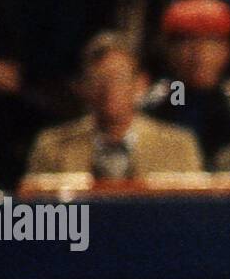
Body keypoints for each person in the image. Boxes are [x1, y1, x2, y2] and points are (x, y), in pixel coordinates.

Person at [25, 33, 203, 179]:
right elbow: (42, 215)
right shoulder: (52, 148)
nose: (109, 89)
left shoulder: (178, 147)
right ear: (82, 88)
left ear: (141, 84)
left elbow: (191, 215)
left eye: (119, 78)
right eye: (98, 79)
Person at [145, 0, 230, 160]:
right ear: (169, 50)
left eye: (210, 42)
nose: (199, 54)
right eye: (188, 42)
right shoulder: (157, 106)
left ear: (226, 50)